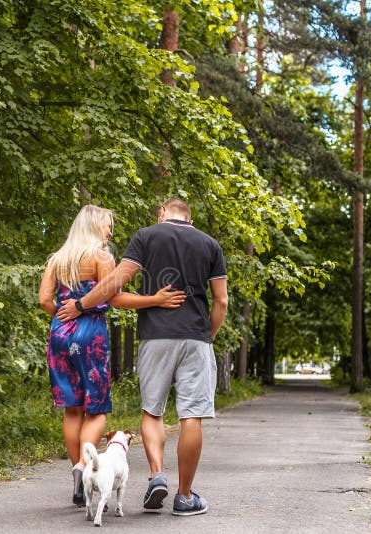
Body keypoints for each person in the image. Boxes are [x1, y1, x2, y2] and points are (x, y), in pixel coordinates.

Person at [57, 198, 228, 516]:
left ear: (163, 213)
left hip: (154, 337)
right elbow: (221, 301)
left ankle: (156, 474)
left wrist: (80, 305)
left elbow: (113, 284)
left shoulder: (146, 236)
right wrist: (208, 337)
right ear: (189, 217)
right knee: (192, 417)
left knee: (153, 412)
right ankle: (184, 496)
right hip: (196, 337)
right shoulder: (210, 244)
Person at [38, 204, 186, 507]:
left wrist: (62, 320)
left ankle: (76, 471)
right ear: (93, 227)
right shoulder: (102, 257)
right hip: (90, 334)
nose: (111, 231)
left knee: (71, 409)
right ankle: (86, 465)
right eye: (107, 225)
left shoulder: (57, 260)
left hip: (59, 334)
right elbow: (114, 297)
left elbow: (44, 300)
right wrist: (155, 299)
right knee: (97, 410)